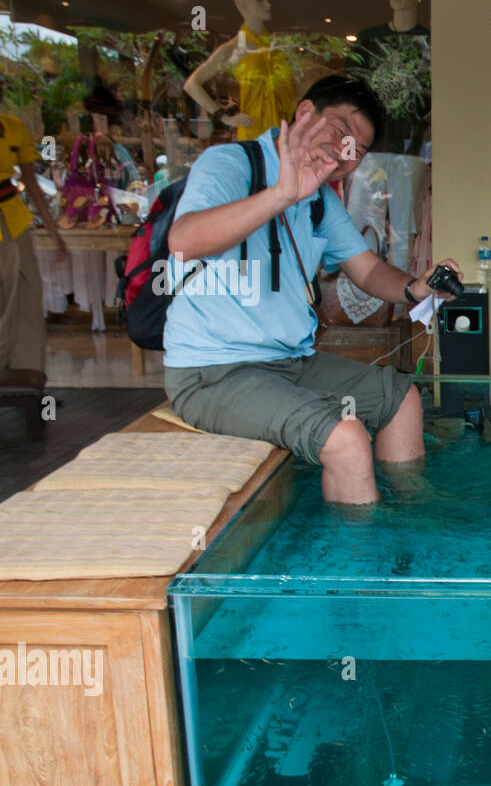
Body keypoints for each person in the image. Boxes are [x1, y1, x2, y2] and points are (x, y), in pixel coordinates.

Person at [163, 75, 462, 505]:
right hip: (213, 373)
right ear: (304, 114)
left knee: (401, 398)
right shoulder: (233, 163)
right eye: (341, 131)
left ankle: (408, 519)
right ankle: (354, 560)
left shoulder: (321, 198)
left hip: (290, 362)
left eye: (356, 150)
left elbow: (367, 270)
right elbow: (183, 241)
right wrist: (282, 195)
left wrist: (418, 289)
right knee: (345, 439)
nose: (345, 153)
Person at [1, 113, 68, 376]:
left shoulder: (13, 127)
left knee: (27, 298)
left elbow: (31, 183)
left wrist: (54, 233)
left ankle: (27, 379)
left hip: (13, 221)